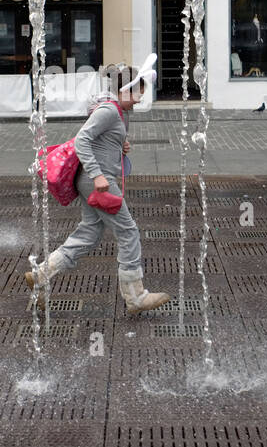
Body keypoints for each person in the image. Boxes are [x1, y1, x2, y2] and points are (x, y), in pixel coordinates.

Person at [23, 55, 171, 317]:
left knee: (89, 234)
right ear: (125, 89)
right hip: (97, 182)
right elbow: (82, 141)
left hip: (94, 180)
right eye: (138, 92)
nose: (140, 98)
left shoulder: (120, 112)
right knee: (129, 232)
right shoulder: (108, 111)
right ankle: (136, 296)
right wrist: (99, 176)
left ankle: (42, 274)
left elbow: (101, 140)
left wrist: (119, 146)